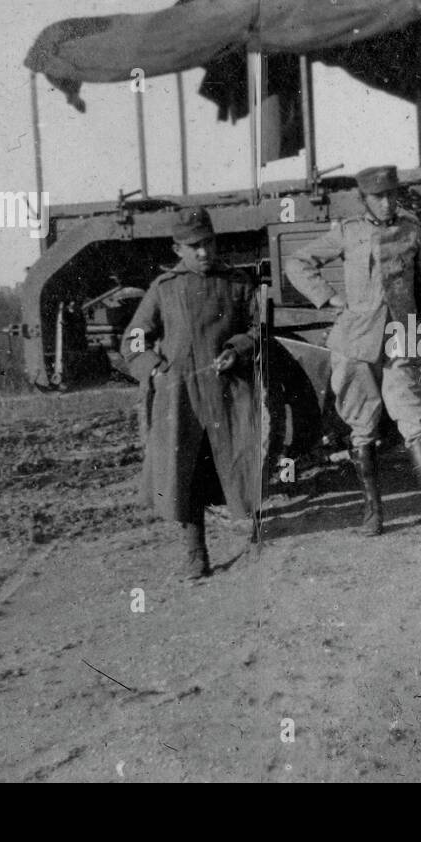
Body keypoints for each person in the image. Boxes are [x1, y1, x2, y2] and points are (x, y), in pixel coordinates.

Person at [284, 165, 421, 536]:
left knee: (414, 418)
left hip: (403, 335)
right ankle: (373, 512)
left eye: (391, 195)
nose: (386, 203)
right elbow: (297, 262)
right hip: (355, 341)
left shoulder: (412, 228)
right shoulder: (348, 231)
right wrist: (328, 297)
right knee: (362, 424)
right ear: (364, 199)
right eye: (378, 197)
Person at [121, 207, 262, 578]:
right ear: (177, 249)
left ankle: (256, 531)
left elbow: (258, 328)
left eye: (208, 243)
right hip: (180, 398)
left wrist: (238, 349)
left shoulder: (237, 283)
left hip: (226, 394)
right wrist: (153, 370)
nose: (203, 252)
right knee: (186, 474)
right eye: (194, 246)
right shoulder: (164, 289)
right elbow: (134, 339)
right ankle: (195, 553)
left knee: (233, 463)